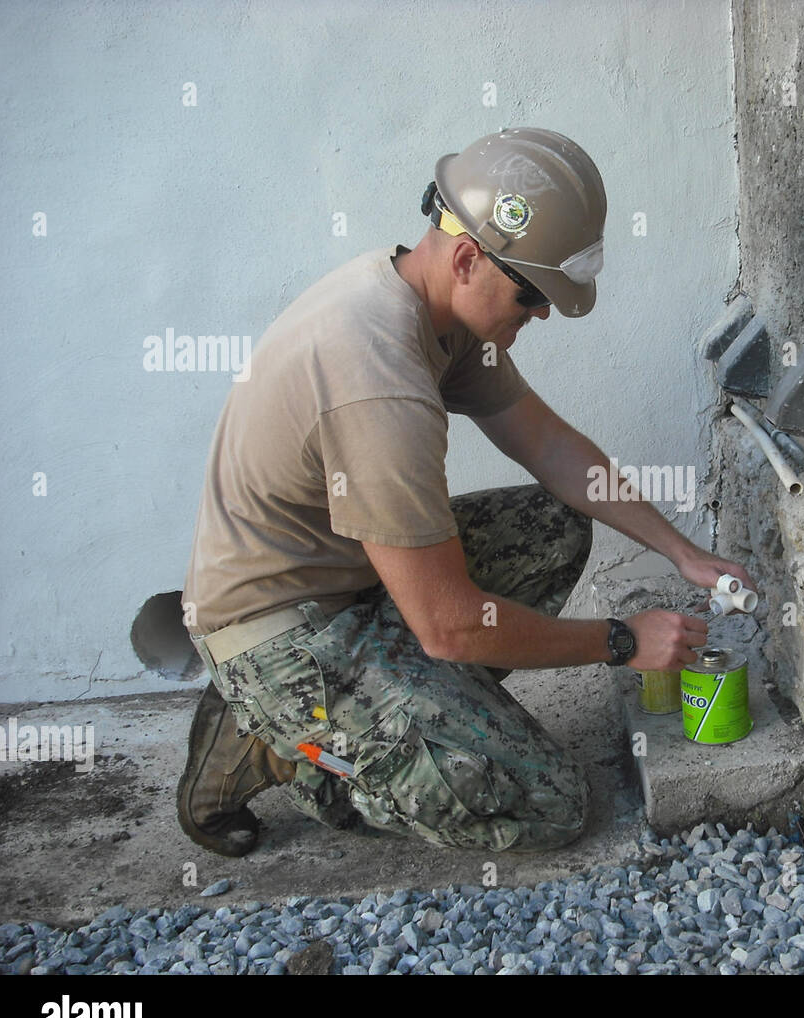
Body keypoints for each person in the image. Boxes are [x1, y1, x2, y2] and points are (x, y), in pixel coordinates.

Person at [178, 128, 754, 857]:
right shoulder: (377, 376)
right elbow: (448, 624)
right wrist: (620, 642)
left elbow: (546, 444)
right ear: (466, 257)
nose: (542, 313)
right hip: (283, 633)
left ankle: (408, 707)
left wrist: (683, 552)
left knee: (554, 525)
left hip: (349, 581)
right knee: (549, 802)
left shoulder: (433, 306)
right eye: (533, 294)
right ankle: (288, 744)